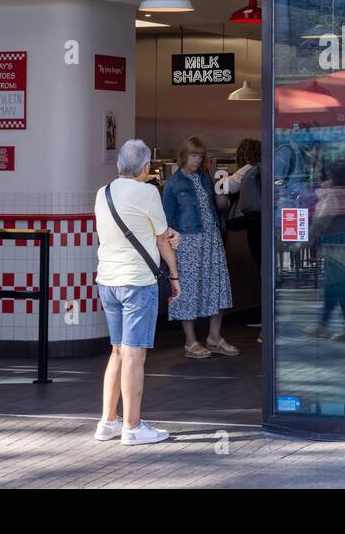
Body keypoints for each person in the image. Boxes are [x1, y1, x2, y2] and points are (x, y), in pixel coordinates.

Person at [93, 139, 182, 446]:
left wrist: (163, 233)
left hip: (107, 280)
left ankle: (108, 422)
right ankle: (132, 426)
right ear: (146, 167)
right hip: (137, 282)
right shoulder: (147, 192)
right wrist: (174, 275)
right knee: (134, 353)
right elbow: (161, 240)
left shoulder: (102, 193)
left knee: (117, 350)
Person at [164, 136, 237, 358]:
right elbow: (166, 220)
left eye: (200, 156)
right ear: (184, 156)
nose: (196, 160)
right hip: (188, 241)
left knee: (218, 284)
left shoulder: (205, 178)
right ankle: (190, 341)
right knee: (188, 289)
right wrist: (172, 244)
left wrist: (222, 198)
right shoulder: (173, 184)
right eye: (193, 155)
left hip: (211, 237)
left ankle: (214, 337)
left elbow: (218, 207)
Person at [304, 161, 345, 341]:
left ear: (335, 178)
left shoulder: (335, 198)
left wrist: (302, 242)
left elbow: (320, 223)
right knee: (332, 287)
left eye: (329, 176)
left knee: (339, 287)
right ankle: (324, 325)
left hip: (337, 247)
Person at [224, 138, 263, 341]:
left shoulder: (247, 169)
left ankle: (267, 318)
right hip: (269, 223)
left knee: (262, 270)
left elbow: (226, 187)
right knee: (267, 271)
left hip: (255, 224)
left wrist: (221, 177)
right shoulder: (270, 167)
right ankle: (269, 315)